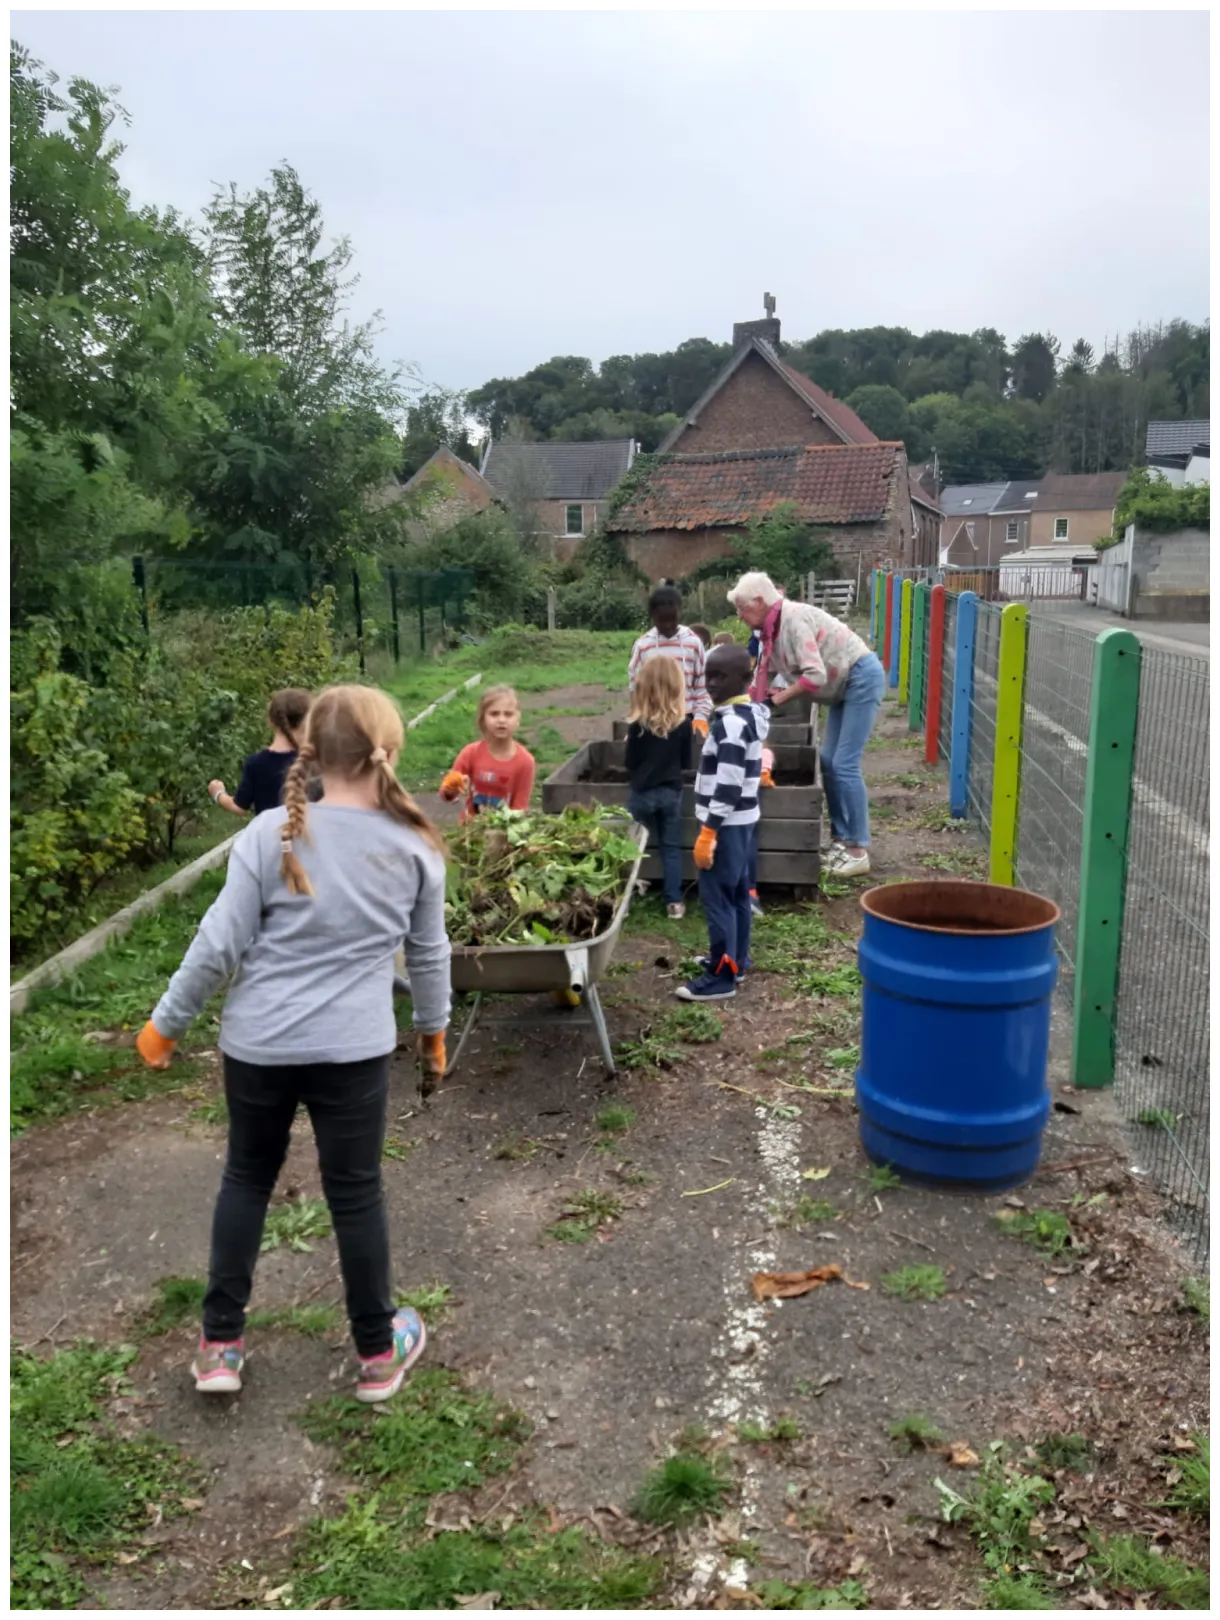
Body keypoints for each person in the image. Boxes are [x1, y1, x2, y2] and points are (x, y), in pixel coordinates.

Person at [135, 685, 451, 1404]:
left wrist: (165, 1026)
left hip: (258, 1047)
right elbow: (429, 957)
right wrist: (433, 1036)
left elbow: (218, 946)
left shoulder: (267, 833)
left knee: (246, 1178)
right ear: (390, 753)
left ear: (310, 753)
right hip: (354, 1053)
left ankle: (220, 1346)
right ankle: (377, 1351)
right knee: (355, 1193)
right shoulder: (415, 845)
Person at [728, 570, 885, 878]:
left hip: (860, 677)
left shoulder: (793, 620)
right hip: (843, 685)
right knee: (827, 759)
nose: (739, 616)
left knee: (845, 763)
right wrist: (743, 708)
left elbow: (815, 676)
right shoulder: (770, 632)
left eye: (742, 608)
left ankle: (858, 849)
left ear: (760, 602)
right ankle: (841, 840)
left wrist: (778, 700)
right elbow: (762, 677)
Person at [677, 643, 769, 1003]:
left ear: (745, 679)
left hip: (726, 825)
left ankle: (721, 975)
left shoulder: (730, 725)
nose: (711, 683)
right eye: (707, 675)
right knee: (737, 894)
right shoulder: (747, 716)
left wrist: (709, 831)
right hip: (743, 822)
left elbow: (728, 785)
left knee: (717, 898)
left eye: (720, 676)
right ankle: (737, 960)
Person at [624, 657, 692, 920]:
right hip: (671, 793)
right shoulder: (683, 725)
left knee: (630, 848)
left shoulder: (637, 725)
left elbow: (630, 763)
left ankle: (626, 899)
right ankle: (674, 902)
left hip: (642, 793)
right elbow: (687, 763)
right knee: (670, 847)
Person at [209, 688, 313, 818]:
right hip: (308, 835)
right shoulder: (314, 761)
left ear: (270, 720)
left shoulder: (256, 763)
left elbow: (239, 807)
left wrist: (218, 794)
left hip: (268, 836)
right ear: (308, 721)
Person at [439, 685, 536, 819]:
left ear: (517, 720)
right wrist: (451, 789)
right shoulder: (470, 753)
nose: (501, 720)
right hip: (469, 831)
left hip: (504, 833)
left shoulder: (525, 762)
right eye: (494, 714)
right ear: (483, 719)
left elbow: (519, 809)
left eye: (508, 714)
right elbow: (447, 794)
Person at [627, 585, 712, 734]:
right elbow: (636, 686)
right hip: (652, 719)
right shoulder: (644, 646)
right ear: (652, 617)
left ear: (680, 614)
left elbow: (702, 684)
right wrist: (638, 718)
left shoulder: (692, 643)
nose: (667, 626)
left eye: (672, 620)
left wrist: (700, 717)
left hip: (686, 718)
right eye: (662, 621)